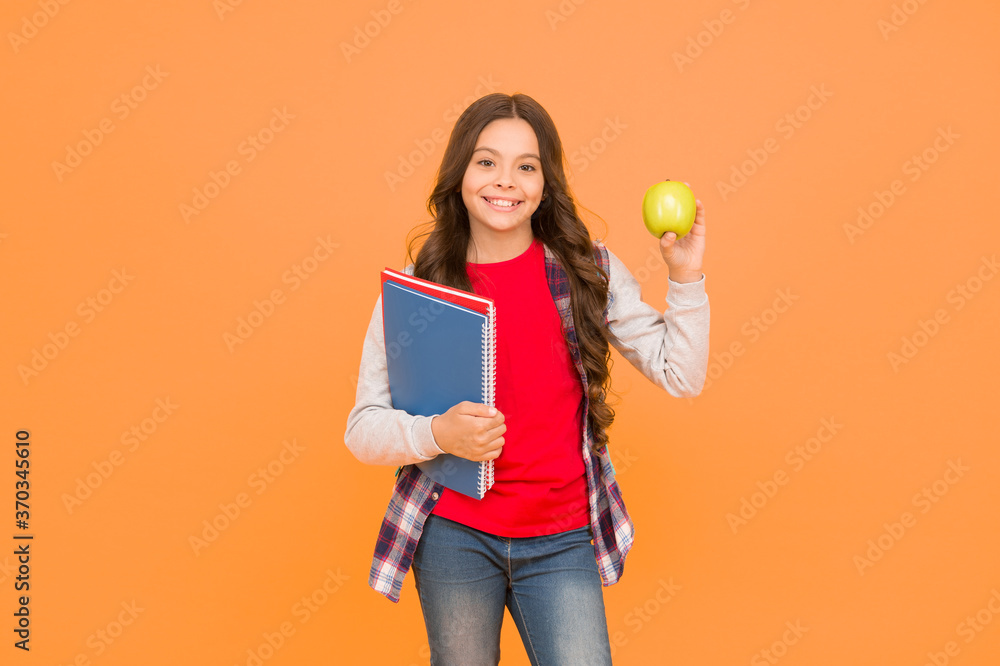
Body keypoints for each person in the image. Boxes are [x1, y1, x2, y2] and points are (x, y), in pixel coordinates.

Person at [344, 92, 709, 665]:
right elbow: (363, 428)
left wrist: (686, 277)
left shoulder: (586, 271)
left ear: (545, 182)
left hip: (562, 538)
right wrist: (438, 434)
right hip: (454, 537)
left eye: (526, 166)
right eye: (487, 161)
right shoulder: (421, 288)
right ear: (460, 174)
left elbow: (680, 375)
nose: (505, 181)